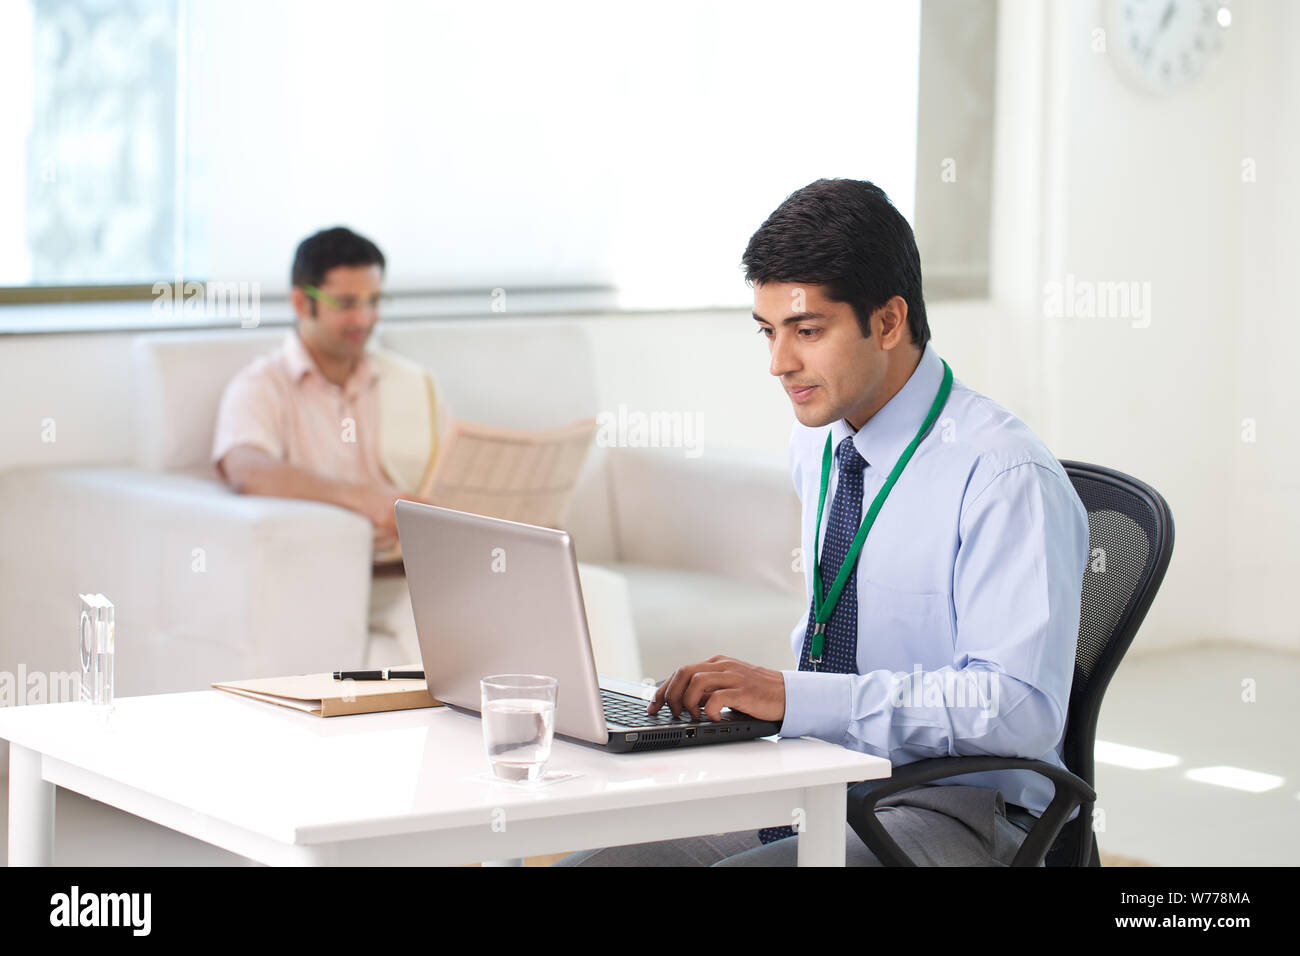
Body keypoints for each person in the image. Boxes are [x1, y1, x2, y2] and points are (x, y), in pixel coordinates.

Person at [555, 179, 1090, 866]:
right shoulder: (822, 440)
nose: (780, 364)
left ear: (889, 322)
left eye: (807, 331)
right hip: (818, 777)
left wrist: (795, 697)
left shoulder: (1004, 475)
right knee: (594, 864)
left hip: (955, 806)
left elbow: (1020, 707)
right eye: (769, 333)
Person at [211, 226, 450, 664]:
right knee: (446, 624)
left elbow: (449, 468)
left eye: (373, 301)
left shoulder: (409, 383)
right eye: (346, 304)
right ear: (302, 301)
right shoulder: (263, 386)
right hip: (339, 576)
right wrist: (364, 500)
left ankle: (609, 730)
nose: (364, 319)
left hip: (423, 567)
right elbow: (247, 468)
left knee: (583, 589)